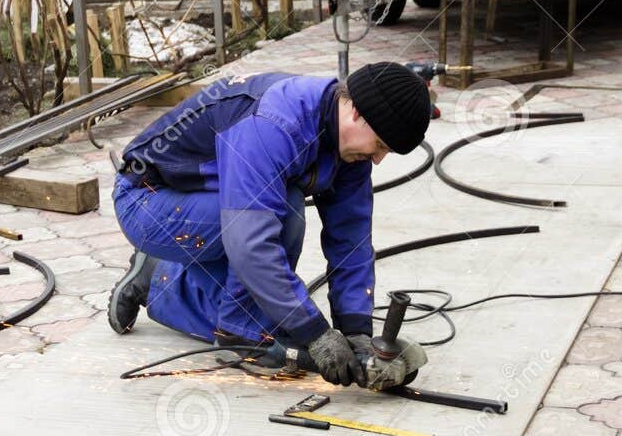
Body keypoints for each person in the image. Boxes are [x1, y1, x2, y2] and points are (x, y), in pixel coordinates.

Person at [107, 62, 431, 389]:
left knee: (276, 316)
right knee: (283, 223)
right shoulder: (272, 123)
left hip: (208, 202)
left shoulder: (347, 144)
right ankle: (236, 330)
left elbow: (352, 241)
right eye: (380, 146)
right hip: (147, 202)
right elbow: (251, 246)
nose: (378, 160)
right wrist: (315, 333)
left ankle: (160, 278)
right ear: (358, 114)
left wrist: (355, 331)